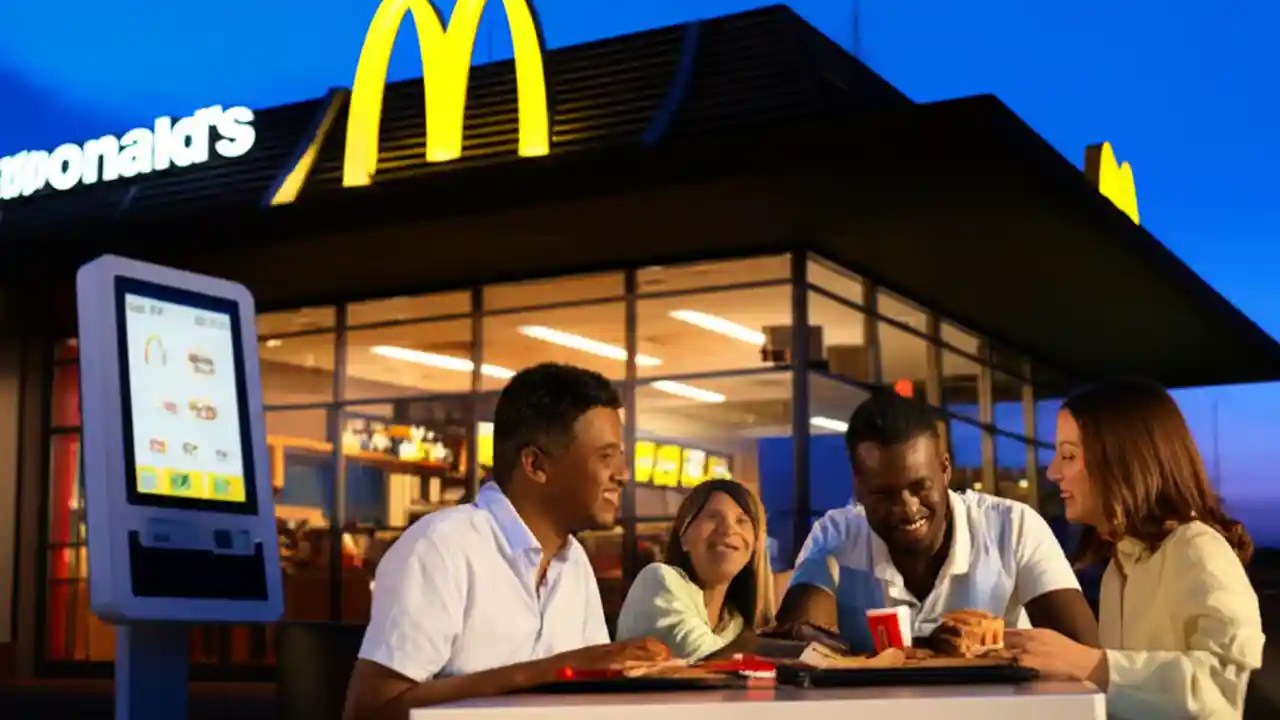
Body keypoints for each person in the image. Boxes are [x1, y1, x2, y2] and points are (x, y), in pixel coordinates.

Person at [343, 363, 668, 720]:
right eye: (606, 457)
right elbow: (370, 711)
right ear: (534, 465)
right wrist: (554, 670)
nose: (622, 475)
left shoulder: (574, 563)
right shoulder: (442, 547)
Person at [1005, 378, 1264, 720]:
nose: (1053, 472)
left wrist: (1084, 661)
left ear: (1122, 460)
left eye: (1068, 455)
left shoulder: (1198, 550)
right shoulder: (1120, 566)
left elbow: (1219, 687)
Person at [774, 387, 1098, 651]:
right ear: (859, 487)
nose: (907, 507)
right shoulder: (835, 535)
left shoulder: (1013, 527)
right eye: (884, 495)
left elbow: (1082, 651)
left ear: (945, 470)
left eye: (919, 487)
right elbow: (803, 644)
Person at [616, 480, 775, 659]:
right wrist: (796, 652)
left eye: (741, 520)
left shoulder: (735, 623)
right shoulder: (658, 580)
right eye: (712, 517)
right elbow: (706, 658)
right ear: (684, 537)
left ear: (754, 546)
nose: (729, 529)